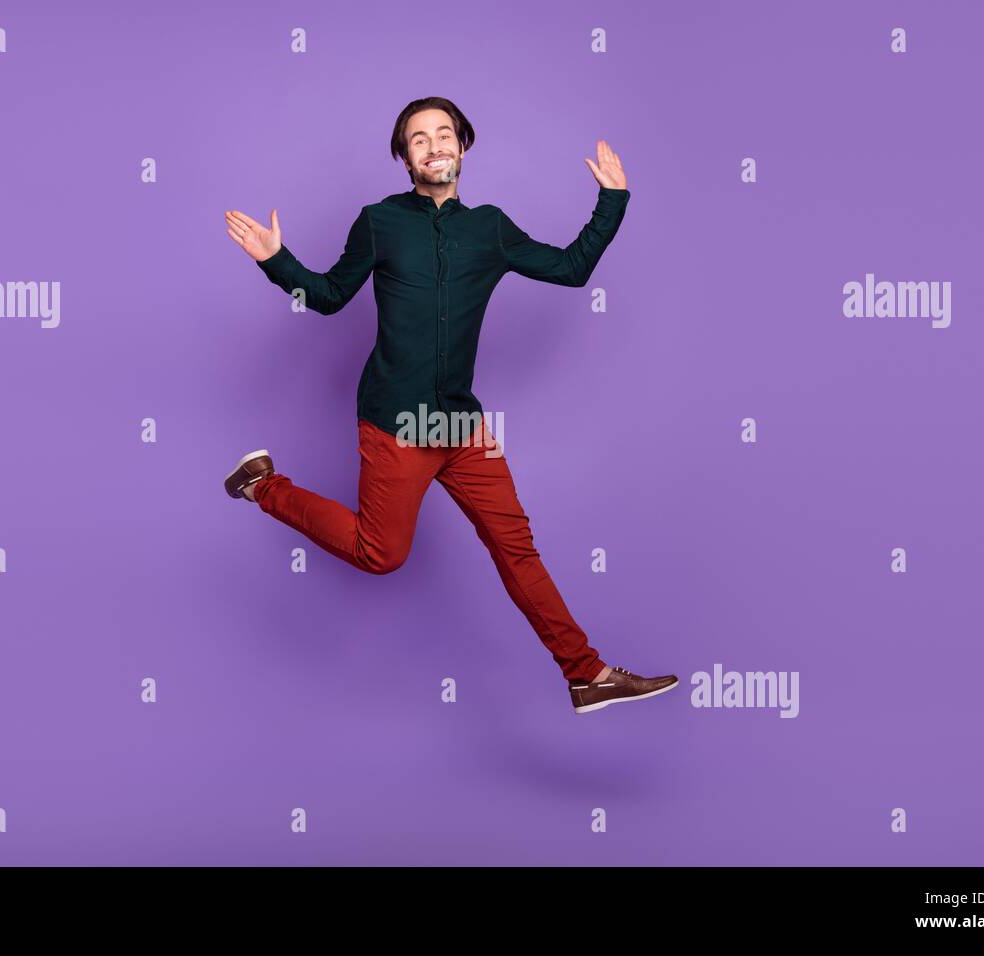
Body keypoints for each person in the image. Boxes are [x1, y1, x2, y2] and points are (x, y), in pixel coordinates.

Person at [223, 96, 676, 714]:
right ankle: (264, 486)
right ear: (405, 158)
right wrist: (277, 261)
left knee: (517, 548)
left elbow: (572, 269)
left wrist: (612, 201)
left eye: (444, 135)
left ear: (462, 145)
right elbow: (328, 297)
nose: (434, 146)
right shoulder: (380, 222)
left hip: (462, 422)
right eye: (418, 139)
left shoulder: (489, 227)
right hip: (396, 420)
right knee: (381, 556)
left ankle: (586, 674)